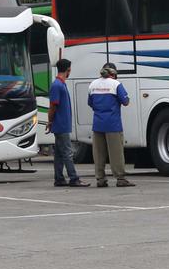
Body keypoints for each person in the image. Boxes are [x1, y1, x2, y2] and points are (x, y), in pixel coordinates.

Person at [87, 62, 135, 188]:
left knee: (99, 153)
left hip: (97, 124)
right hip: (113, 125)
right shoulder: (116, 84)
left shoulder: (93, 84)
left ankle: (100, 179)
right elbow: (126, 101)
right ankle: (120, 178)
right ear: (114, 73)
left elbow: (90, 103)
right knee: (116, 153)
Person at [46, 58, 88, 187]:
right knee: (68, 153)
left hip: (61, 124)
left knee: (59, 154)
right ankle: (74, 178)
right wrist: (50, 121)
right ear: (68, 70)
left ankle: (59, 178)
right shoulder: (57, 85)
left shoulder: (60, 84)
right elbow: (53, 106)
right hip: (61, 125)